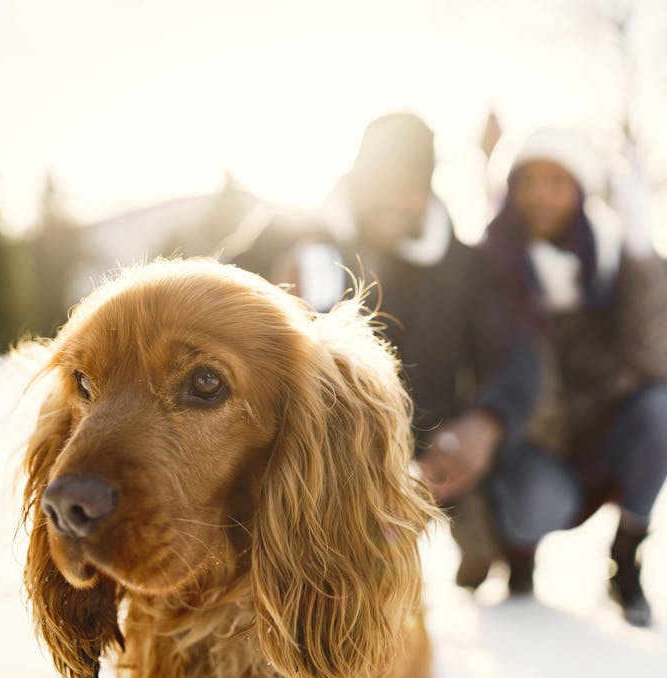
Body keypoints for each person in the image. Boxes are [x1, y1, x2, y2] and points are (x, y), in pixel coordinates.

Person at [228, 112, 539, 541]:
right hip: (307, 438)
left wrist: (487, 422)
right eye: (380, 179)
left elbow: (516, 351)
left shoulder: (465, 266)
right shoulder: (289, 236)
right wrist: (263, 296)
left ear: (427, 192)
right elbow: (205, 292)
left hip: (423, 440)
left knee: (533, 495)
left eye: (408, 185)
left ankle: (467, 516)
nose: (393, 199)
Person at [432, 128, 667, 627]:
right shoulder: (490, 266)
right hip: (529, 442)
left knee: (663, 409)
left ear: (580, 191)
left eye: (556, 180)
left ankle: (626, 556)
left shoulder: (610, 262)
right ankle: (517, 551)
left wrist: (638, 247)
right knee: (535, 504)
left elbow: (655, 356)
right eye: (527, 181)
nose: (540, 194)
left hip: (597, 434)